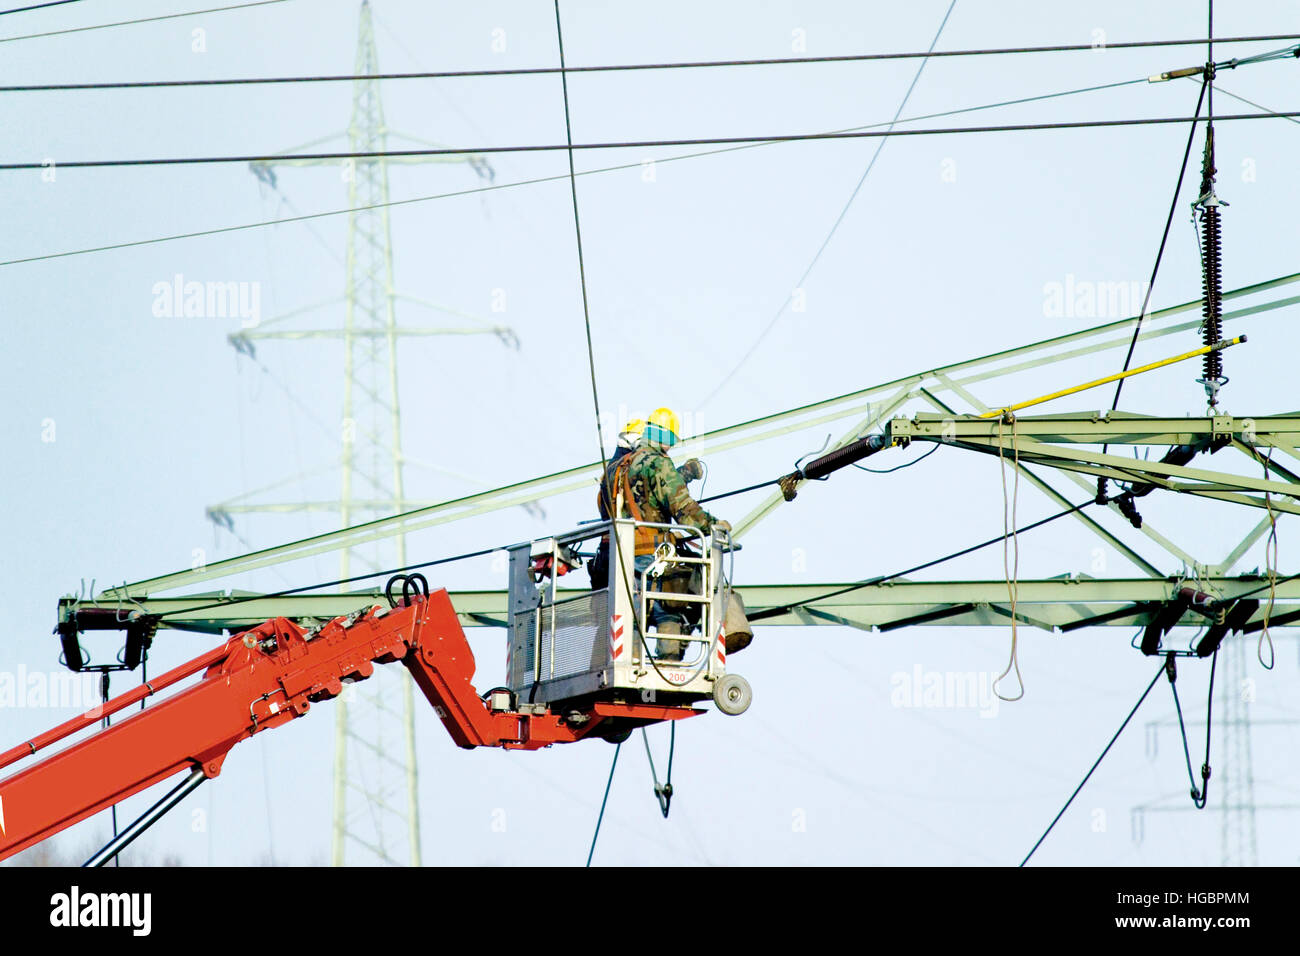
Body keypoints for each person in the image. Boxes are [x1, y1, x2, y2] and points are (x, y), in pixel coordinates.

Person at [601, 407, 751, 661]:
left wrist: (685, 474)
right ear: (667, 438)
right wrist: (714, 525)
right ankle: (669, 662)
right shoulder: (659, 463)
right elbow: (682, 508)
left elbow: (646, 493)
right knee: (670, 604)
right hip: (651, 552)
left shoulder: (619, 467)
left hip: (618, 555)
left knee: (633, 608)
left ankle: (629, 661)